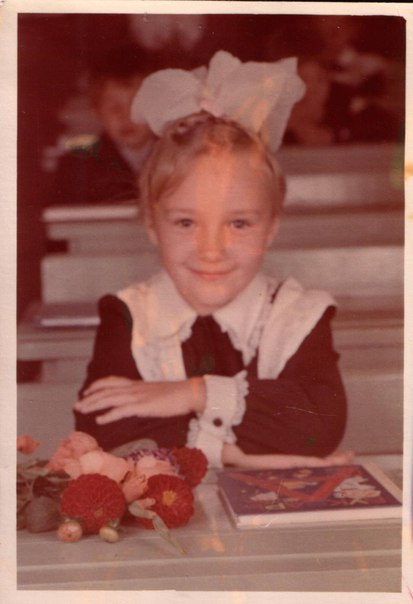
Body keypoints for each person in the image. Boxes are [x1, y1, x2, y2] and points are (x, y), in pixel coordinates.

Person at [74, 51, 349, 469]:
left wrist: (194, 394)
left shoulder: (297, 315)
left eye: (238, 223)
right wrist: (238, 455)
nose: (211, 250)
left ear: (271, 228)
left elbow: (319, 425)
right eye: (186, 222)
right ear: (152, 224)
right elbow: (105, 431)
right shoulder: (129, 316)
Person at [50, 44, 159, 205]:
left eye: (136, 105)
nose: (126, 116)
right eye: (114, 108)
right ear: (97, 113)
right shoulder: (76, 169)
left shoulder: (181, 158)